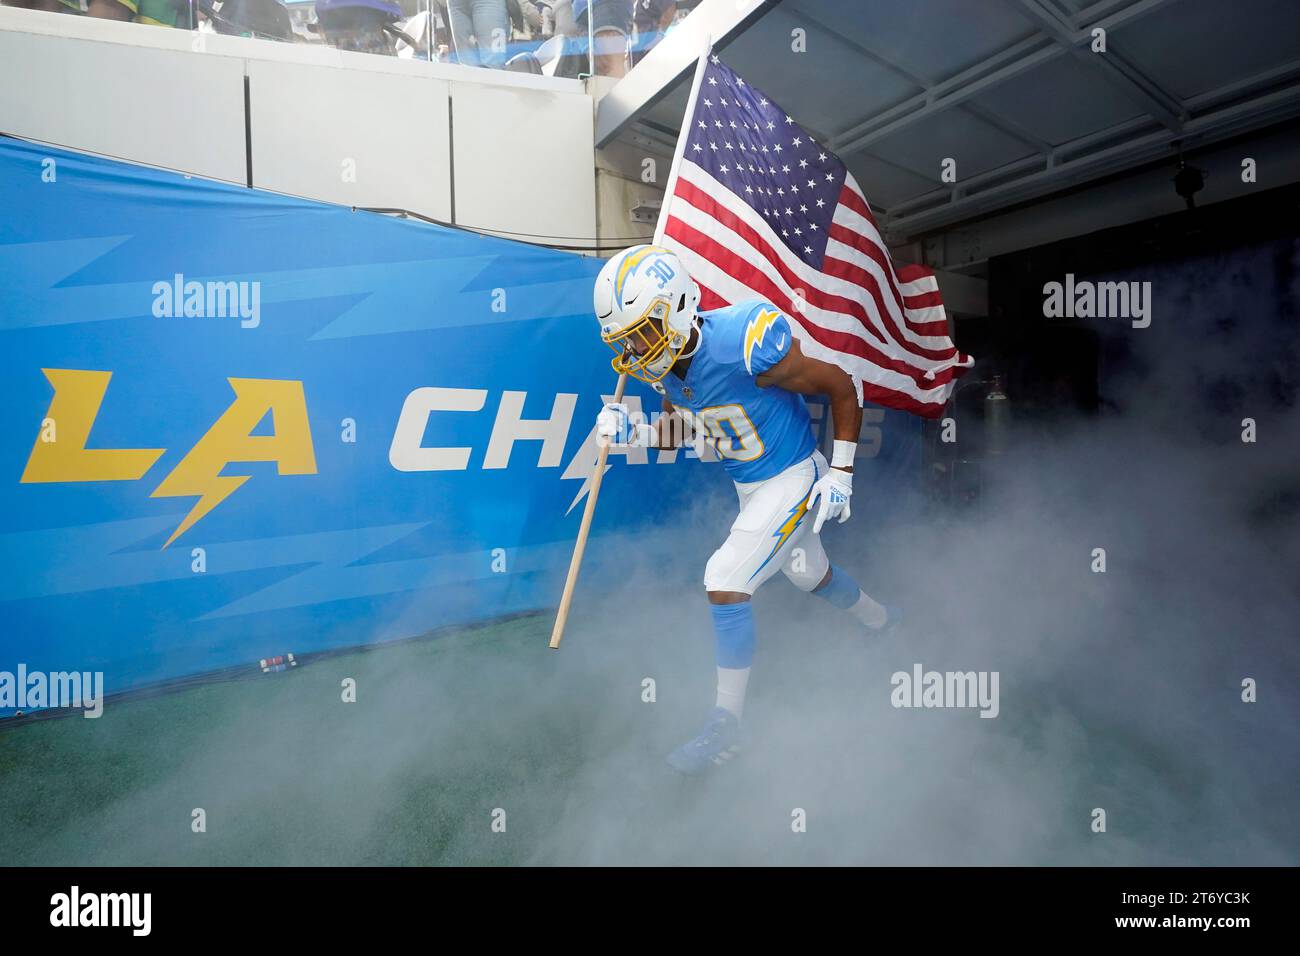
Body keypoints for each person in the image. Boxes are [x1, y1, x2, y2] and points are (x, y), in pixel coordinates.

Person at [592, 244, 896, 775]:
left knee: (724, 576)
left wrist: (842, 475)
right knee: (809, 574)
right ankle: (884, 622)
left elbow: (841, 386)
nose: (638, 350)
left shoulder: (742, 342)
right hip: (751, 488)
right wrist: (631, 433)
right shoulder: (665, 371)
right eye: (628, 340)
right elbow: (676, 435)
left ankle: (728, 725)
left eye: (643, 332)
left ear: (678, 306)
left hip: (793, 476)